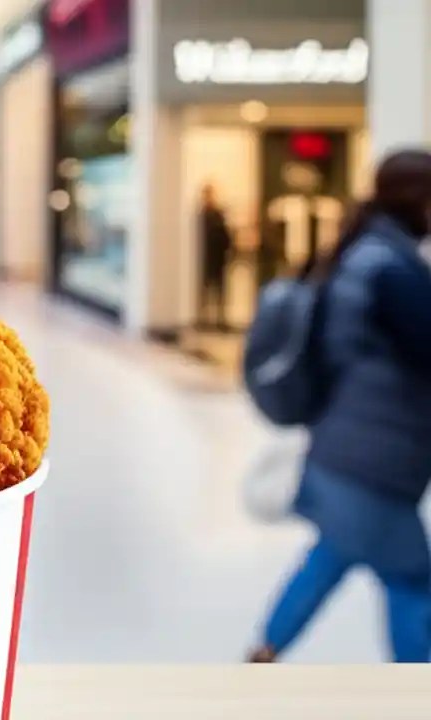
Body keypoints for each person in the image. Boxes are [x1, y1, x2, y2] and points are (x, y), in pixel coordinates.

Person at [250, 150, 431, 663]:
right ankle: (417, 688)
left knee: (333, 554)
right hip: (375, 457)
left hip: (343, 446)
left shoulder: (364, 254)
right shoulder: (391, 269)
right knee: (414, 579)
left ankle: (263, 654)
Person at [198, 184, 234, 330]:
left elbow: (225, 236)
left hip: (218, 257)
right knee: (206, 289)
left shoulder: (217, 214)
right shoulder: (203, 215)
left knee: (219, 290)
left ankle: (219, 319)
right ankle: (204, 319)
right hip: (206, 257)